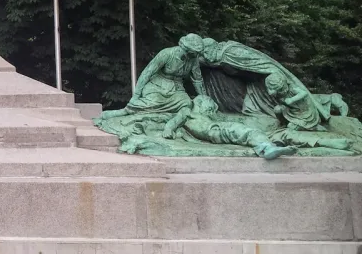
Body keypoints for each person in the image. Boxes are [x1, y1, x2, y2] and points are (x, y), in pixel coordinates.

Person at [101, 33, 207, 118]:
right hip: (157, 86)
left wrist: (204, 98)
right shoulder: (166, 54)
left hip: (177, 89)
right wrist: (136, 96)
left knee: (187, 103)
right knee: (151, 104)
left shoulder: (194, 60)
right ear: (186, 49)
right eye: (194, 52)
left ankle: (172, 122)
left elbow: (197, 79)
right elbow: (147, 73)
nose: (197, 55)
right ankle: (124, 112)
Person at [161, 95, 296, 160]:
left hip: (220, 128)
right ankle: (267, 148)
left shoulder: (206, 116)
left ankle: (269, 146)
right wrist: (168, 129)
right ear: (200, 102)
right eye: (210, 104)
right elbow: (175, 121)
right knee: (246, 133)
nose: (212, 109)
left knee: (249, 132)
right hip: (216, 130)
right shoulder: (188, 112)